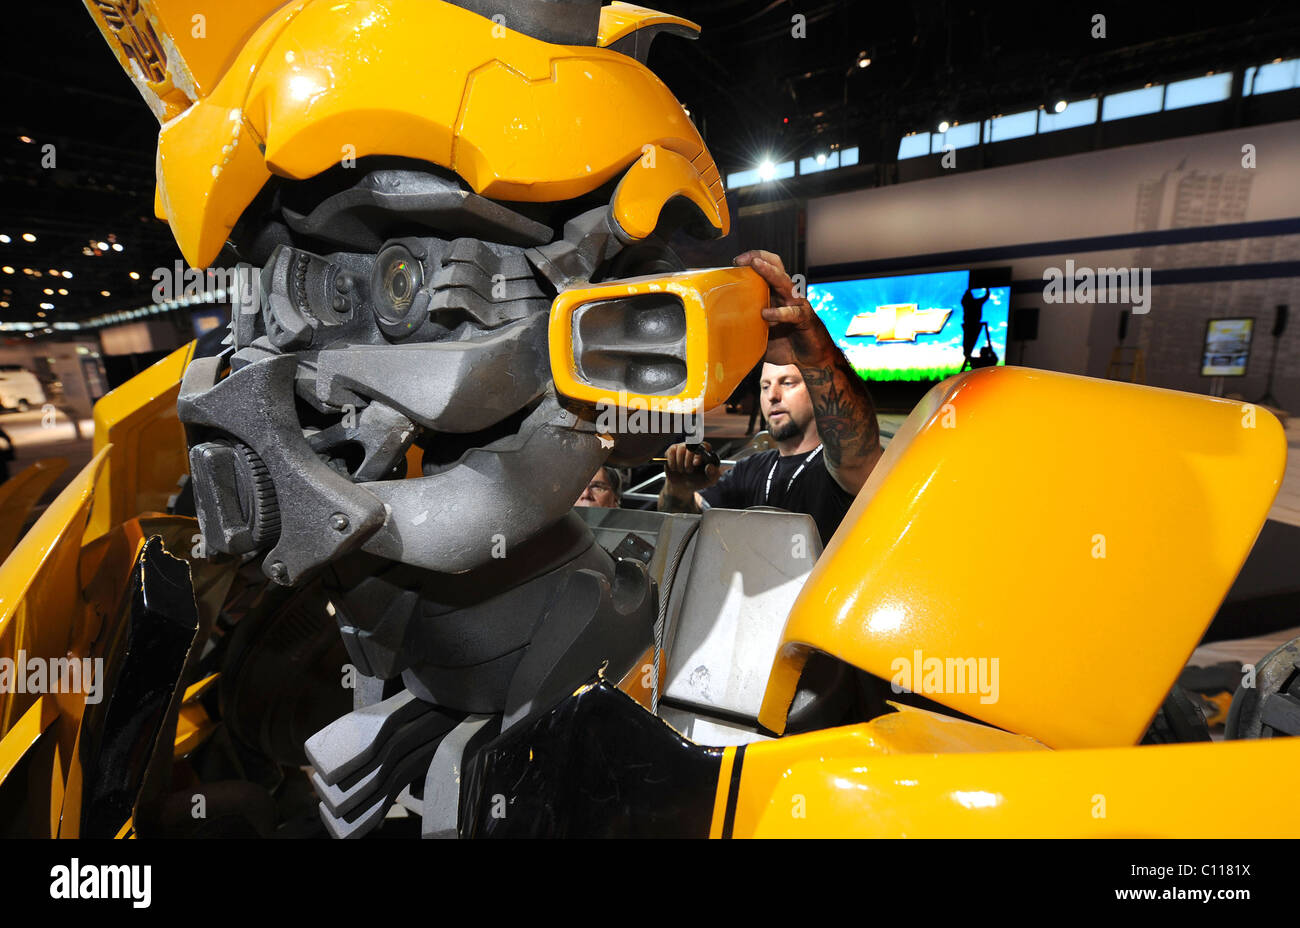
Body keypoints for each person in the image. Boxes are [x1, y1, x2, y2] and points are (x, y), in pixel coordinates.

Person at [657, 250, 883, 546]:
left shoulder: (837, 470)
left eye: (787, 382)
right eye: (765, 387)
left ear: (816, 390)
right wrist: (679, 488)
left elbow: (854, 448)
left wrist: (815, 358)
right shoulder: (751, 469)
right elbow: (684, 530)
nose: (773, 395)